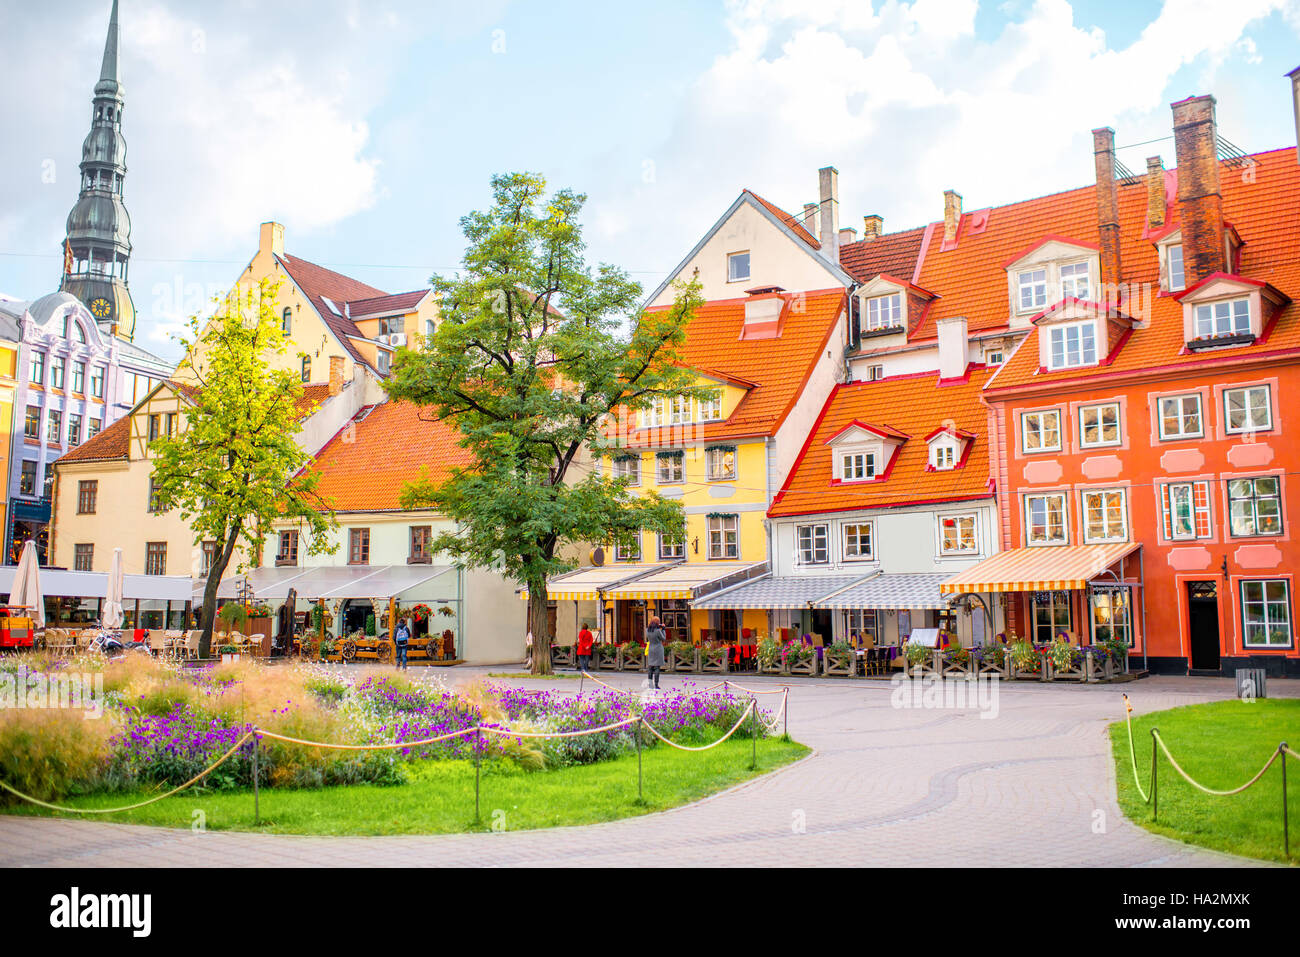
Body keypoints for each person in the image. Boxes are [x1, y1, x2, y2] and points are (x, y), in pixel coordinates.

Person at [645, 615, 667, 690]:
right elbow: (663, 638)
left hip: (651, 648)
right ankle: (656, 684)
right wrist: (663, 629)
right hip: (658, 649)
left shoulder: (647, 630)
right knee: (657, 667)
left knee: (650, 667)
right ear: (658, 623)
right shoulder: (658, 631)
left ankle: (650, 685)